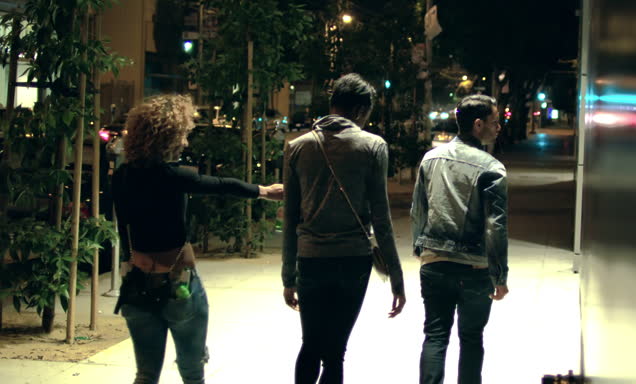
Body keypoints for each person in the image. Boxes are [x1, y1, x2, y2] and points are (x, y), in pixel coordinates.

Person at [112, 94, 283, 384]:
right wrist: (263, 191)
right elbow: (221, 185)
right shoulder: (173, 176)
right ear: (171, 137)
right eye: (184, 134)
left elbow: (122, 226)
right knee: (192, 373)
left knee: (145, 374)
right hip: (178, 283)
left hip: (137, 286)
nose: (186, 141)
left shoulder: (123, 176)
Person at [282, 73, 406, 384]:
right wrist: (396, 276)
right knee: (335, 351)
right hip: (353, 261)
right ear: (362, 110)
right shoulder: (373, 146)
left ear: (333, 104)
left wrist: (288, 275)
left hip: (310, 260)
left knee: (310, 345)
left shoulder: (296, 147)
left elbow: (290, 217)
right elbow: (381, 217)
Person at [411, 94, 510, 384]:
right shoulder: (492, 168)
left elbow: (419, 209)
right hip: (475, 268)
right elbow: (496, 226)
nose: (499, 127)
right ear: (478, 125)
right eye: (495, 122)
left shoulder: (431, 158)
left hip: (435, 262)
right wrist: (500, 274)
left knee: (435, 335)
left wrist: (421, 248)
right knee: (471, 338)